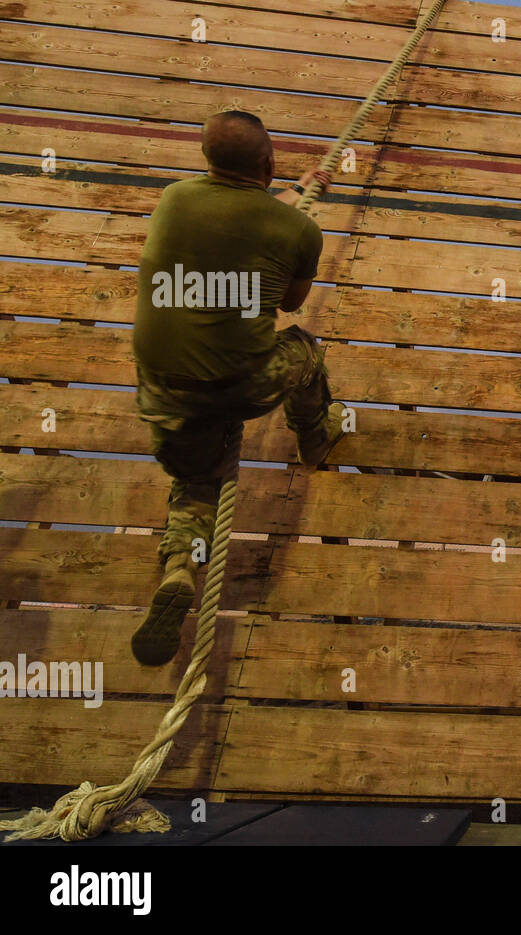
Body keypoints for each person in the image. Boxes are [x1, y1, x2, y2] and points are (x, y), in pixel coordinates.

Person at [130, 110, 347, 667]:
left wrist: (290, 198)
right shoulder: (299, 230)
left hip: (161, 387)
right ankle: (315, 436)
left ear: (207, 159)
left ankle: (180, 565)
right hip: (239, 384)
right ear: (270, 163)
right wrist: (298, 219)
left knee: (196, 478)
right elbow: (289, 303)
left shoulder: (175, 199)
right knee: (304, 350)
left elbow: (241, 226)